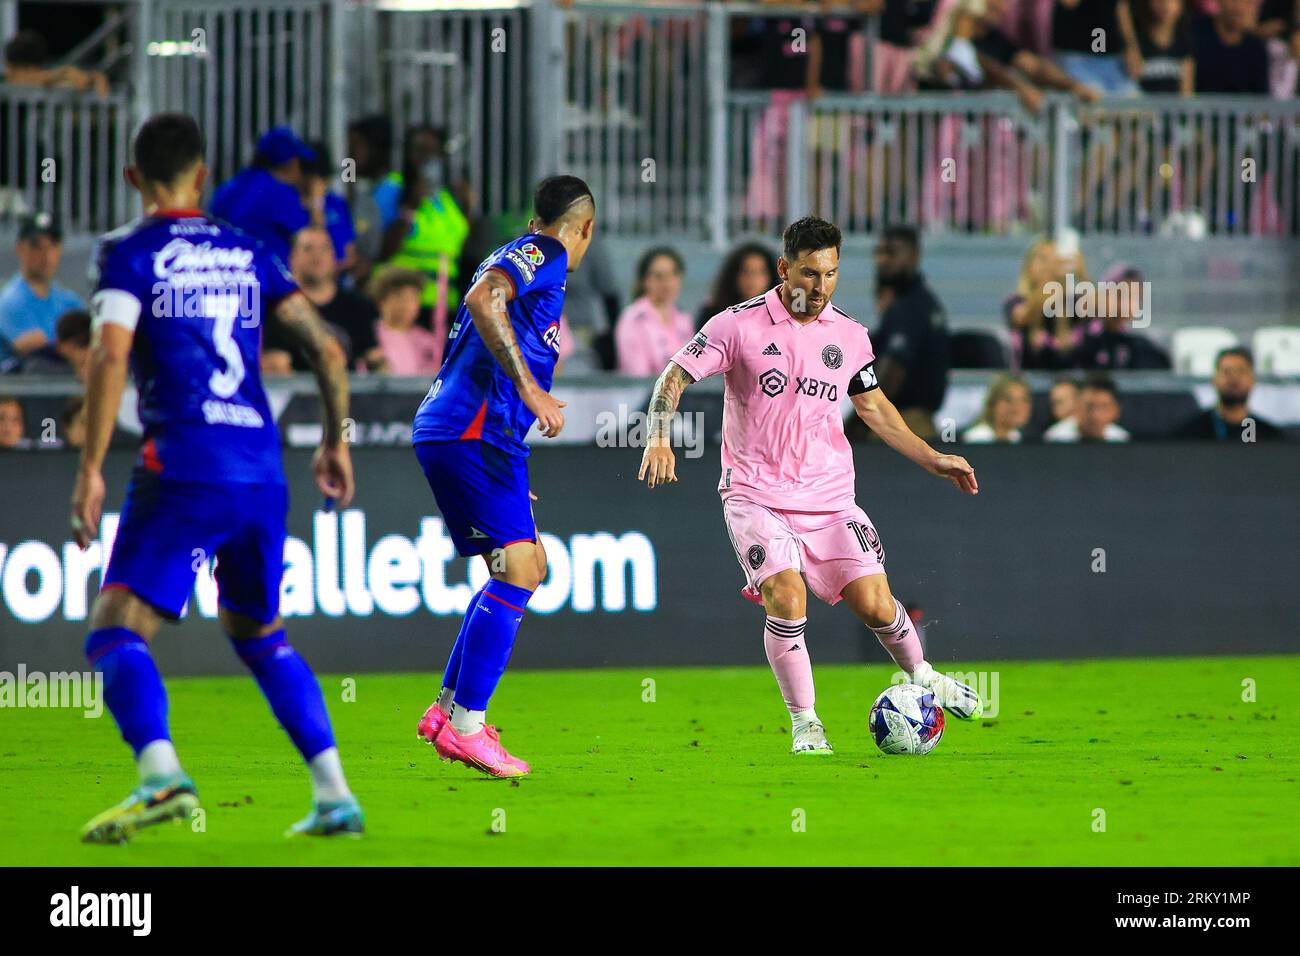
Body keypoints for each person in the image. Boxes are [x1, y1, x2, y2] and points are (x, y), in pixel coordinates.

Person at [71, 112, 363, 842]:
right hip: (262, 472)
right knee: (260, 632)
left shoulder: (127, 253)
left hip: (183, 467)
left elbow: (109, 356)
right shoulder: (249, 248)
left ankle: (161, 776)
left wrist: (89, 468)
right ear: (202, 177)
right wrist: (337, 443)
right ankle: (335, 795)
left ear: (135, 178)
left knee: (114, 633)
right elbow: (327, 351)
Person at [637, 216, 983, 756]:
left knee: (875, 603)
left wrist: (933, 458)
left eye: (830, 274)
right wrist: (659, 436)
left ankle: (924, 674)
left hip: (828, 497)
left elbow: (876, 410)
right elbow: (673, 376)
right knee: (787, 595)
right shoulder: (738, 324)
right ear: (784, 269)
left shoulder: (848, 335)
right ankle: (806, 724)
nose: (819, 287)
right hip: (756, 495)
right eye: (808, 273)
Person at [411, 175, 595, 777]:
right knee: (519, 569)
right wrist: (528, 386)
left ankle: (445, 712)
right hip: (470, 431)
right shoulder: (546, 253)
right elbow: (481, 300)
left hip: (476, 435)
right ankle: (467, 726)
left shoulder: (523, 254)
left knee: (526, 564)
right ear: (584, 228)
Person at [375, 124, 471, 315]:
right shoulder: (393, 187)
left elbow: (460, 247)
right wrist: (410, 206)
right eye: (419, 150)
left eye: (433, 152)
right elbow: (380, 249)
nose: (426, 158)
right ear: (407, 153)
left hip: (444, 304)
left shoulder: (447, 197)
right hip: (401, 303)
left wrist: (467, 206)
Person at [871, 225, 950, 439]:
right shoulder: (922, 302)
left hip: (905, 421)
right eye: (879, 253)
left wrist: (859, 422)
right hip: (910, 420)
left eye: (891, 252)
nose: (882, 260)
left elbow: (893, 374)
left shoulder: (910, 306)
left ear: (914, 255)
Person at [265, 225, 376, 371]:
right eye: (308, 248)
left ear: (334, 257)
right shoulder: (278, 309)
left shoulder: (359, 306)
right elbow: (276, 364)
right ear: (292, 259)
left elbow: (374, 357)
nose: (317, 255)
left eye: (325, 248)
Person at [210, 125, 321, 266]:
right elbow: (315, 243)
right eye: (300, 163)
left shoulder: (228, 188)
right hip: (266, 277)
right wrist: (317, 201)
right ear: (290, 164)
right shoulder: (280, 192)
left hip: (225, 273)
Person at [0, 213, 84, 366]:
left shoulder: (69, 301)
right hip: (25, 387)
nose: (46, 255)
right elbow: (29, 346)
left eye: (53, 245)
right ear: (20, 248)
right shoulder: (9, 301)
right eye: (37, 246)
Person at [1005, 236, 1088, 371]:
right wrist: (1048, 282)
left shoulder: (1072, 302)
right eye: (1043, 259)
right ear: (1029, 266)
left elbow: (1102, 312)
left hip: (1067, 382)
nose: (1049, 265)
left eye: (1054, 260)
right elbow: (1021, 317)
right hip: (1028, 378)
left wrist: (1082, 276)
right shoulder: (1015, 301)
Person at [1172, 347, 1285, 440]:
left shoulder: (1270, 437)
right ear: (1214, 380)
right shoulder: (1189, 434)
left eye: (1241, 372)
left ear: (1252, 380)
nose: (1234, 379)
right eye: (1227, 372)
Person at [1071, 264, 1171, 370]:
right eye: (1120, 296)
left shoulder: (1144, 349)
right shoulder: (1078, 341)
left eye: (1134, 298)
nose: (1126, 305)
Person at [614, 247, 693, 377]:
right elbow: (637, 373)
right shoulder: (633, 319)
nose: (667, 283)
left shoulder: (684, 318)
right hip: (647, 394)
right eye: (659, 276)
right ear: (644, 280)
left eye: (673, 274)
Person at [367, 268, 444, 376]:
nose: (407, 304)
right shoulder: (369, 336)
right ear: (381, 301)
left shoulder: (428, 341)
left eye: (413, 298)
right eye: (400, 297)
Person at [695, 242, 779, 331]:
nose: (752, 279)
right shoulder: (712, 315)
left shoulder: (782, 317)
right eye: (745, 271)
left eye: (760, 272)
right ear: (733, 275)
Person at [1192, 0, 1270, 93]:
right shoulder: (1194, 33)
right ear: (1219, 2)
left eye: (1246, 2)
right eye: (1233, 1)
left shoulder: (1256, 48)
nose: (1238, 8)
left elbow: (1260, 98)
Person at [1127, 0, 1195, 95]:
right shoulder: (1135, 45)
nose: (1165, 5)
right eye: (1159, 0)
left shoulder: (1186, 45)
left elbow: (1186, 95)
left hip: (1173, 109)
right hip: (1142, 108)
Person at [1044, 373, 1131, 441]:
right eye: (1089, 407)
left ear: (1115, 411)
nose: (1095, 415)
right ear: (1077, 407)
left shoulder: (1121, 439)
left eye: (1103, 407)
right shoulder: (1055, 438)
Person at [963, 374, 1032, 443]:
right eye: (1008, 399)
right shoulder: (977, 437)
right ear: (992, 403)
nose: (1016, 408)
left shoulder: (1016, 436)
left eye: (1024, 400)